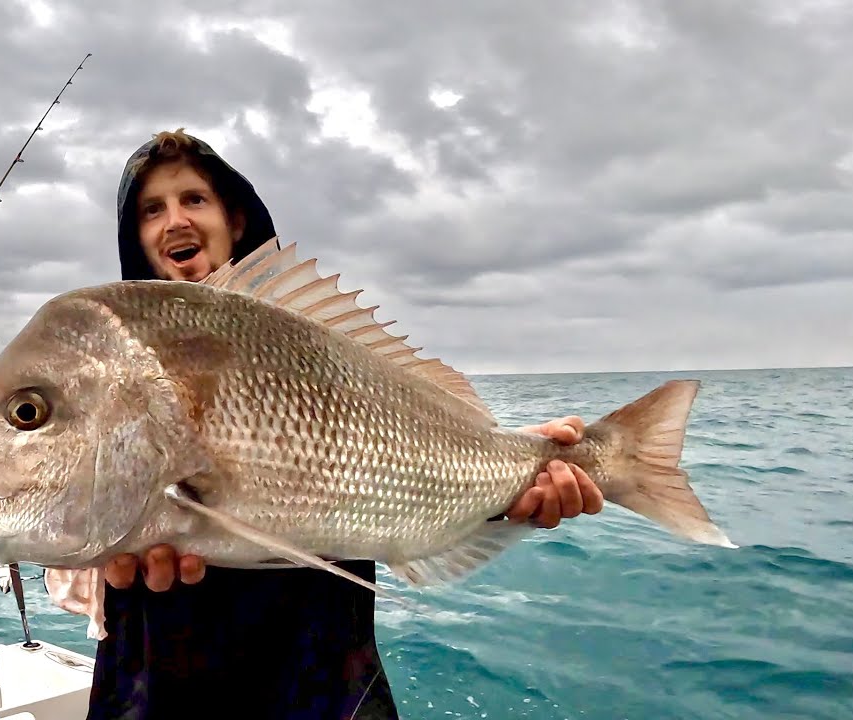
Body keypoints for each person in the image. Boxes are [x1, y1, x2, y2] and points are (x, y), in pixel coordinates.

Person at [73, 129, 603, 720]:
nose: (175, 220)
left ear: (236, 220)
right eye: (152, 209)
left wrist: (517, 486)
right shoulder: (101, 358)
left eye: (194, 200)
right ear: (134, 235)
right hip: (159, 673)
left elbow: (418, 461)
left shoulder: (318, 341)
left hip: (322, 667)